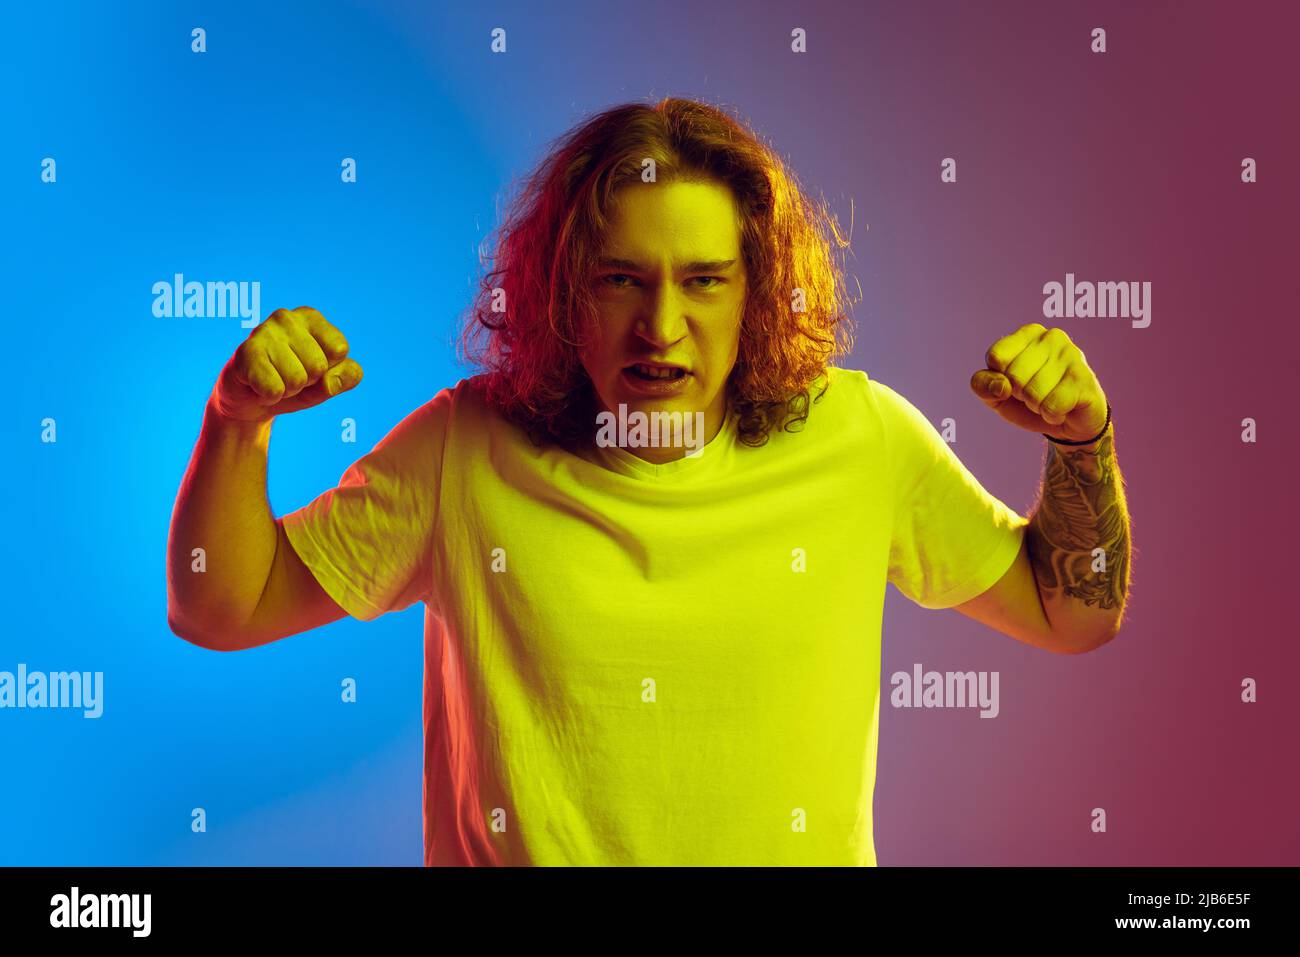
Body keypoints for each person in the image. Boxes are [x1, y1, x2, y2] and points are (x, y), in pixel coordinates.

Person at [166, 97, 1132, 866]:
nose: (661, 326)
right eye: (621, 278)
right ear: (562, 287)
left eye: (704, 280)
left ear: (757, 292)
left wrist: (1084, 442)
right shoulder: (465, 447)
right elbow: (223, 604)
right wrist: (235, 422)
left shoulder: (862, 436)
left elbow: (1071, 614)